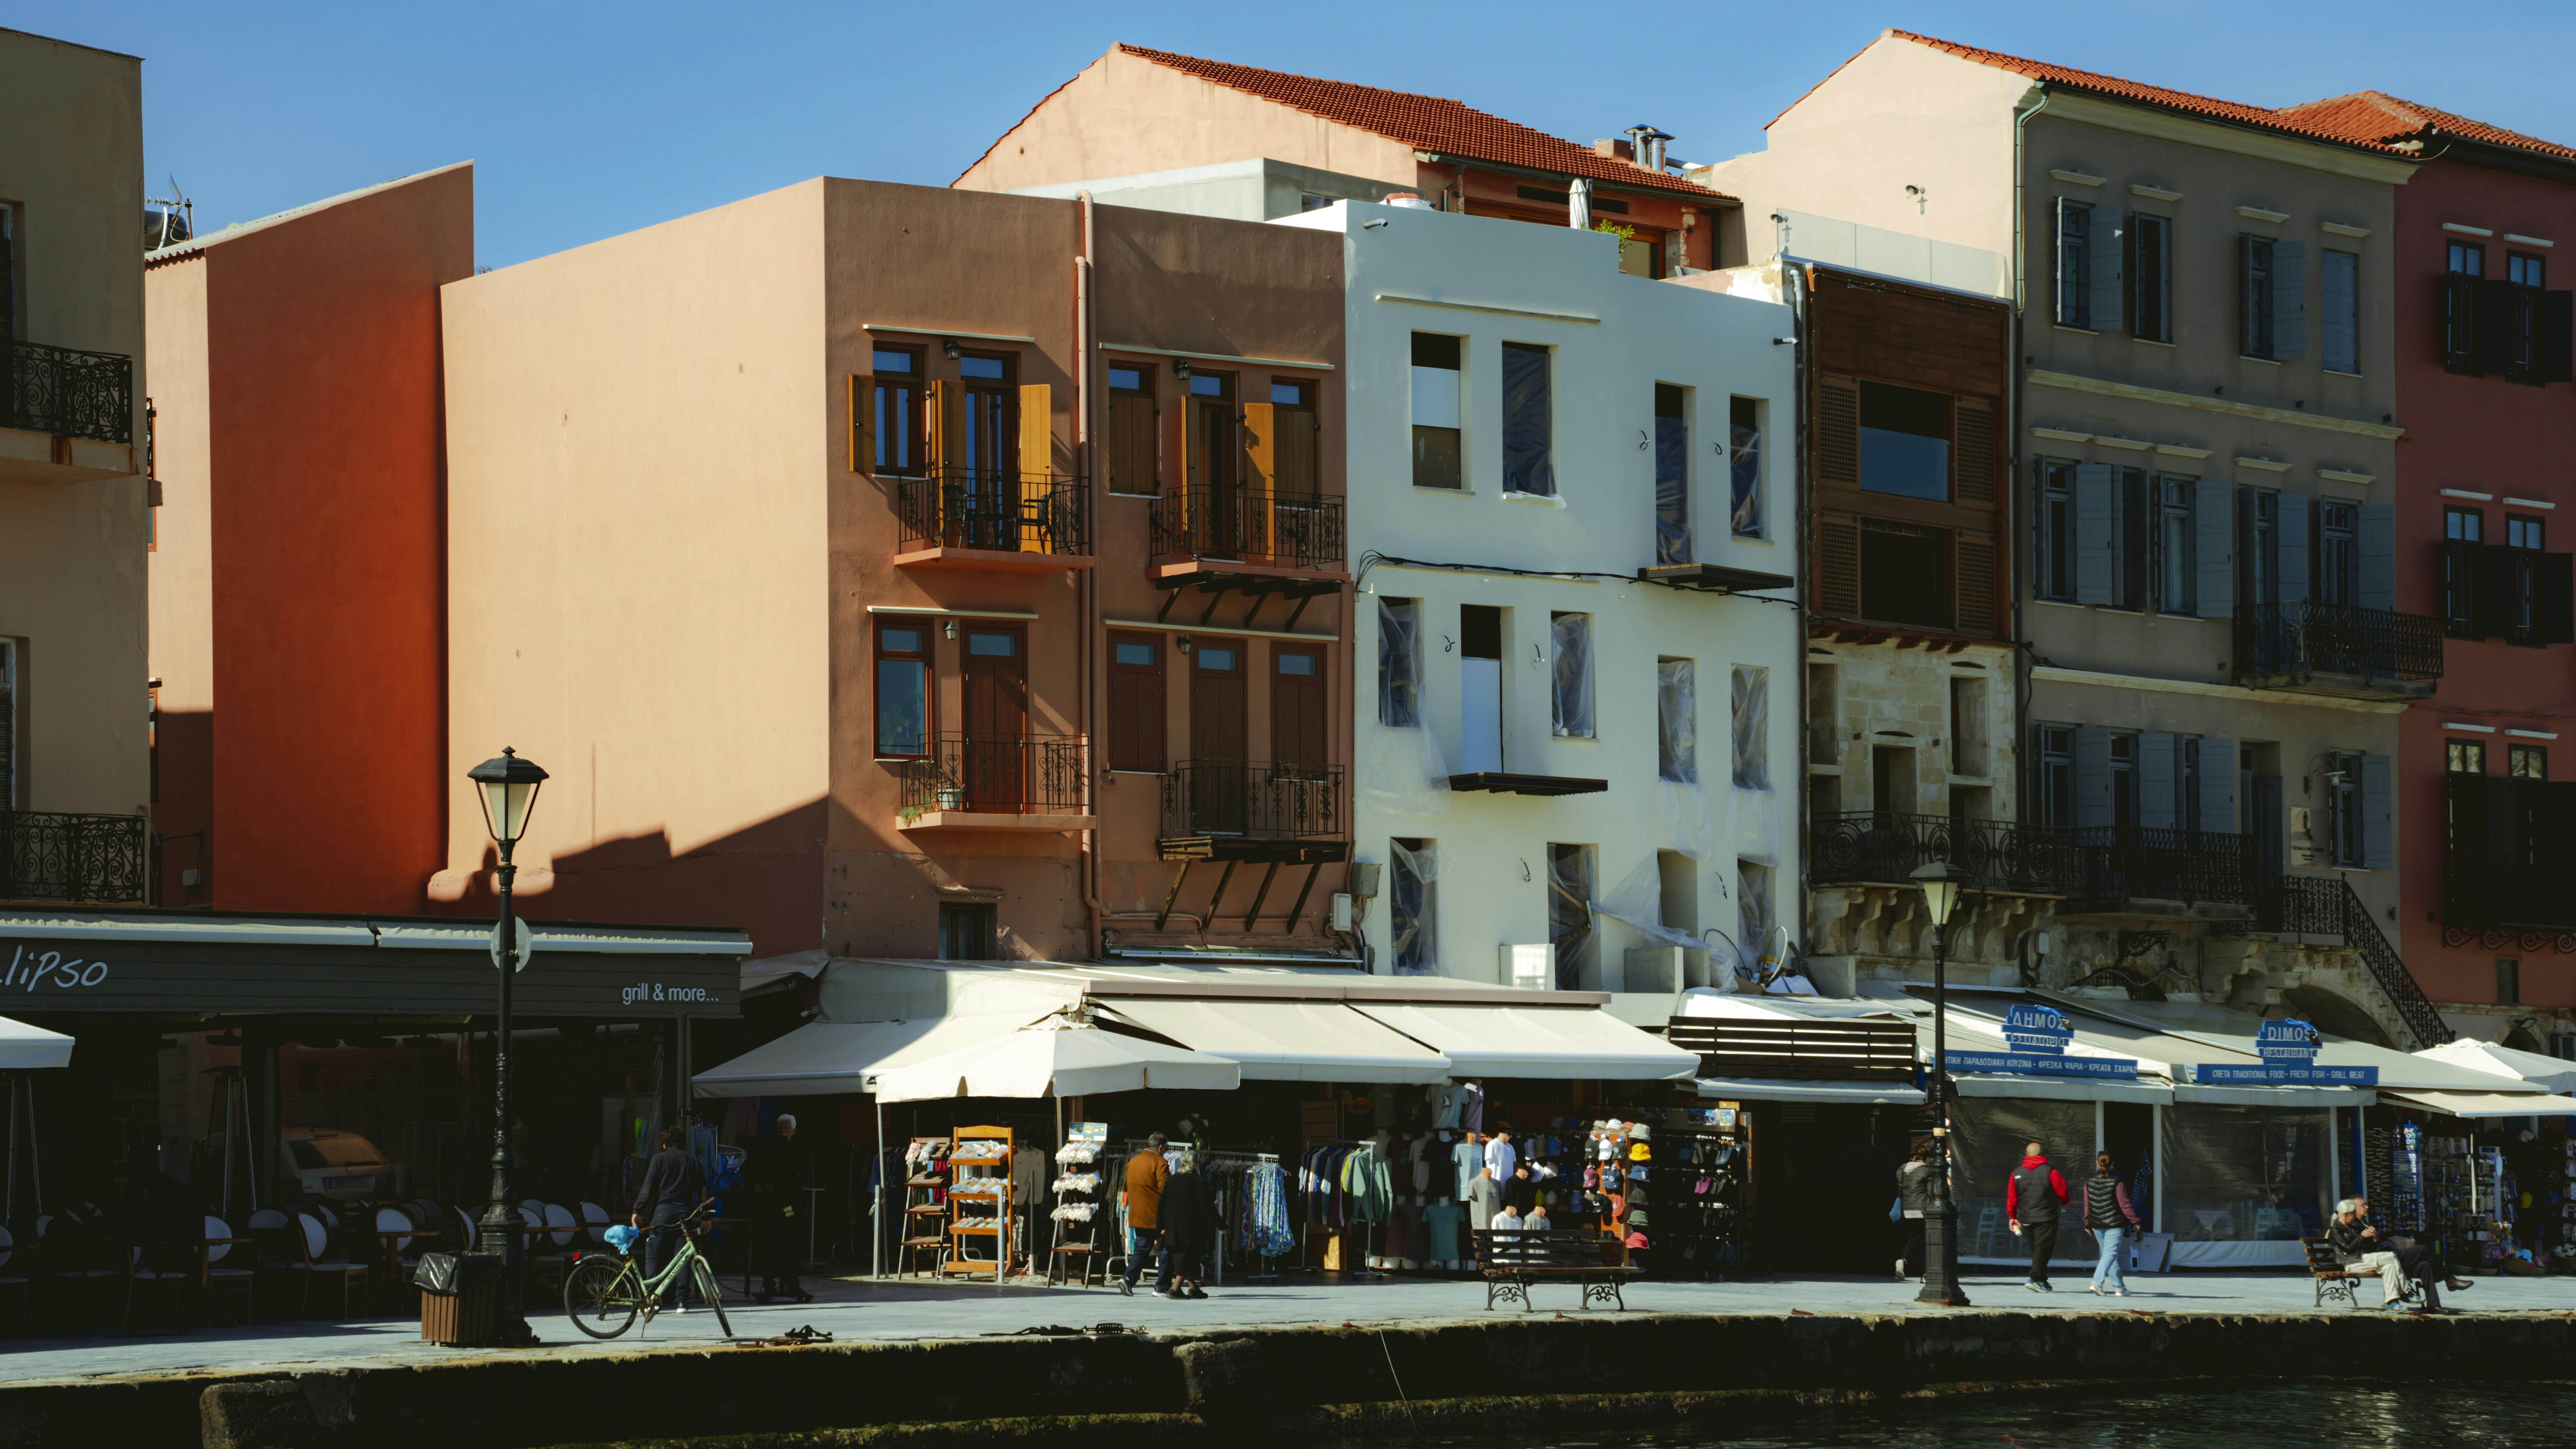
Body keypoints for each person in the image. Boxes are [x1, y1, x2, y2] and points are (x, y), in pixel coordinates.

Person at [2330, 1196, 2471, 1311]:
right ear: (2348, 1212)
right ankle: (2445, 1280)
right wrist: (2365, 1237)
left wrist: (2376, 1239)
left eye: (2366, 1205)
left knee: (2425, 1265)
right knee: (2423, 1250)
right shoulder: (2351, 1227)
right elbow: (2352, 1248)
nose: (2367, 1207)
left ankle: (2432, 1305)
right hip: (2372, 1259)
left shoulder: (2361, 1225)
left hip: (2383, 1259)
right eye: (2362, 1206)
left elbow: (2370, 1245)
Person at [629, 1123, 705, 1310]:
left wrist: (637, 1210)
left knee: (653, 1253)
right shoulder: (693, 1161)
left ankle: (653, 1299)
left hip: (663, 1212)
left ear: (664, 1144)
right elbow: (704, 1190)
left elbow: (648, 1188)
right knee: (683, 1258)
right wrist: (706, 1217)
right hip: (685, 1213)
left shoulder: (659, 1159)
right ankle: (682, 1302)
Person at [748, 1114, 811, 1305]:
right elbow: (756, 1168)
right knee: (770, 1245)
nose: (782, 1132)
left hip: (790, 1206)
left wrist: (778, 1184)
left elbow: (796, 1172)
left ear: (794, 1131)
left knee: (792, 1244)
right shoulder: (767, 1147)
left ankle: (792, 1283)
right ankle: (769, 1283)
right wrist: (758, 1183)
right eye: (780, 1128)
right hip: (771, 1207)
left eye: (786, 1129)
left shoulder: (798, 1149)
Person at [2004, 1139, 2068, 1292]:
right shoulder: (2050, 1171)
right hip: (2046, 1216)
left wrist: (2012, 1216)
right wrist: (2065, 1202)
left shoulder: (2016, 1173)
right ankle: (2034, 1279)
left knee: (2038, 1250)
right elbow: (2062, 1191)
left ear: (2027, 1154)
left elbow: (2012, 1197)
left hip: (2026, 1218)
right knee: (2043, 1249)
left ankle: (2042, 1280)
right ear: (2042, 1154)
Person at [2081, 1151, 2144, 1297]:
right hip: (2114, 1224)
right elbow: (2125, 1205)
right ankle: (2097, 1283)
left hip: (2097, 1224)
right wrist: (2135, 1221)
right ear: (2113, 1164)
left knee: (2109, 1256)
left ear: (2097, 1163)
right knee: (2110, 1255)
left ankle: (2120, 1288)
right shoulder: (2117, 1182)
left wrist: (2087, 1222)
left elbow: (2087, 1205)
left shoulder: (2089, 1182)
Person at [1157, 1150, 1216, 1300]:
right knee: (1189, 1258)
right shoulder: (1199, 1181)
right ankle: (1175, 1289)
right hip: (1191, 1229)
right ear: (1196, 1165)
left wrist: (1161, 1226)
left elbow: (1162, 1204)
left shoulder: (1172, 1180)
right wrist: (1221, 1225)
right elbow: (1207, 1206)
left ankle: (1194, 1288)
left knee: (1184, 1258)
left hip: (1173, 1227)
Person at [1119, 1132, 1171, 1297]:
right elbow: (1166, 1192)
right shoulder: (1160, 1163)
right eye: (1166, 1149)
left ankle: (1127, 1278)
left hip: (1137, 1214)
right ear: (1160, 1147)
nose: (1166, 1152)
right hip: (1157, 1216)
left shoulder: (1133, 1161)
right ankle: (1162, 1287)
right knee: (1165, 1250)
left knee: (1142, 1250)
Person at [1896, 1138, 1937, 1279]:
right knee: (1930, 1241)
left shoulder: (1902, 1170)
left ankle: (1904, 1260)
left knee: (1914, 1239)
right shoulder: (1928, 1171)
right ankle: (1926, 1273)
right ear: (1928, 1159)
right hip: (1924, 1210)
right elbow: (1931, 1192)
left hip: (1908, 1210)